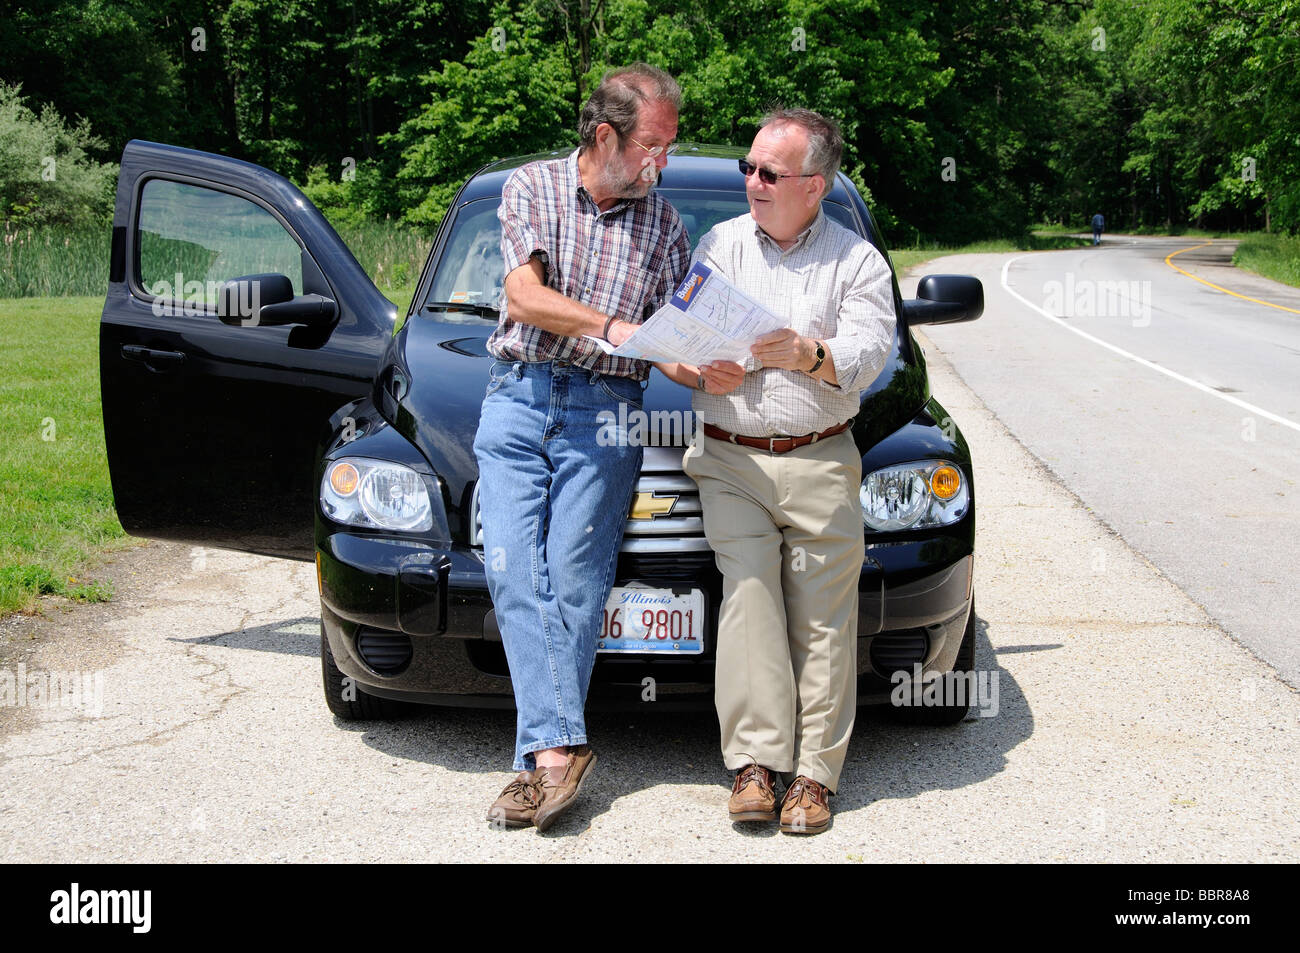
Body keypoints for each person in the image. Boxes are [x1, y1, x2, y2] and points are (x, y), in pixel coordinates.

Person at [474, 64, 724, 833]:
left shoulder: (665, 226)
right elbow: (526, 297)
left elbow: (674, 346)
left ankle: (540, 765)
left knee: (577, 584)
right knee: (512, 566)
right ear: (606, 136)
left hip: (607, 412)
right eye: (654, 145)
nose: (664, 164)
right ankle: (563, 745)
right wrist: (617, 329)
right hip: (517, 398)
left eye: (670, 147)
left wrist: (720, 360)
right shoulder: (532, 187)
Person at [681, 108, 896, 834]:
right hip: (730, 458)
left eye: (768, 172)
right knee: (748, 597)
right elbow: (684, 325)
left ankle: (814, 778)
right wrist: (693, 364)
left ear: (816, 184)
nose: (752, 181)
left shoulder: (857, 263)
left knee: (825, 620)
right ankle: (755, 765)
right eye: (748, 167)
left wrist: (806, 354)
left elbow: (868, 351)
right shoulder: (719, 244)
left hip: (819, 456)